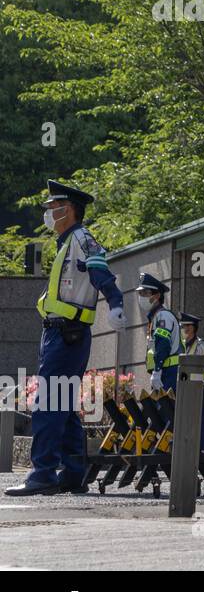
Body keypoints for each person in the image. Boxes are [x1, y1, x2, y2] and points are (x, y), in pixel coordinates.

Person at [5, 181, 127, 496]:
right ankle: (73, 473)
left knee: (48, 403)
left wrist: (115, 303)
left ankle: (42, 474)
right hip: (59, 334)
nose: (48, 212)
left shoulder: (82, 239)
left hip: (67, 335)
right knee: (61, 403)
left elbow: (101, 271)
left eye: (52, 207)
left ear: (67, 209)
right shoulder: (66, 241)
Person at [134, 274, 180, 395]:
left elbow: (163, 344)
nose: (141, 297)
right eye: (140, 293)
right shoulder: (155, 317)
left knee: (166, 410)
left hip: (169, 372)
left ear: (157, 296)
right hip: (165, 371)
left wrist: (157, 371)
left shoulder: (162, 316)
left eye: (145, 293)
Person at [179, 312, 204, 451]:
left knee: (199, 423)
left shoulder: (202, 347)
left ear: (194, 328)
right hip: (184, 391)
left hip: (197, 391)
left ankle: (201, 452)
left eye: (187, 326)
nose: (184, 330)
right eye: (182, 327)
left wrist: (199, 384)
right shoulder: (182, 346)